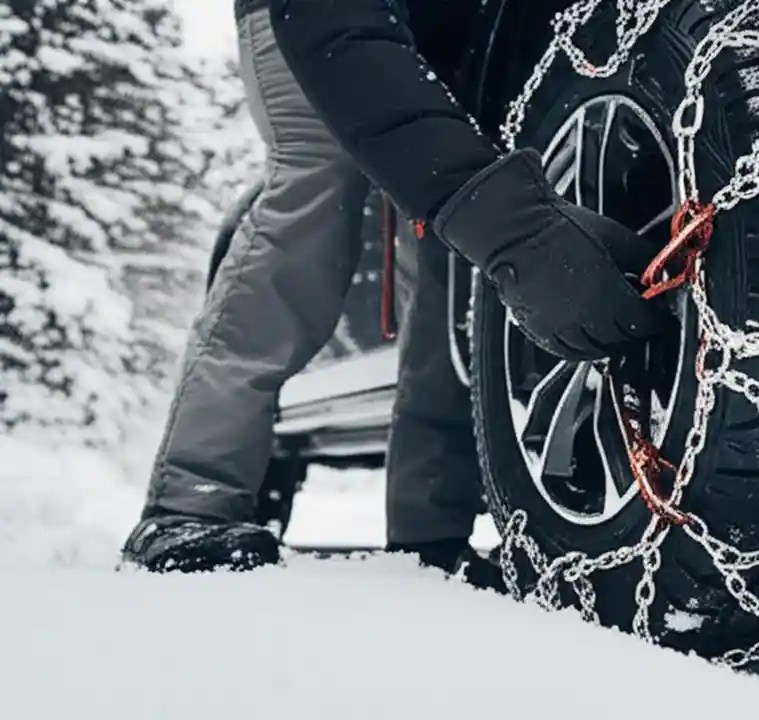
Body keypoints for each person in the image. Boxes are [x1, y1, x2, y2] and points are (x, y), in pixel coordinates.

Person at [120, 0, 669, 577]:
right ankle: (191, 500)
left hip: (459, 32)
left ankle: (429, 537)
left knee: (452, 249)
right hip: (327, 21)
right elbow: (333, 28)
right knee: (314, 198)